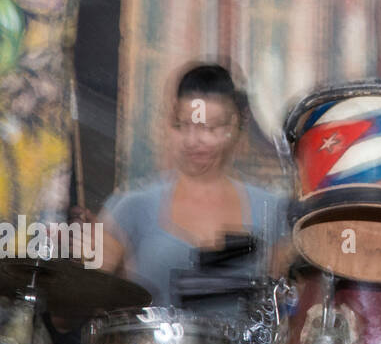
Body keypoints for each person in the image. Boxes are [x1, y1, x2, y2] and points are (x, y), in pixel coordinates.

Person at [92, 62, 291, 308]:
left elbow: (288, 306)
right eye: (183, 126)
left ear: (235, 127)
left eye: (209, 128)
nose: (194, 141)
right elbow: (72, 306)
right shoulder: (132, 206)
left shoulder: (270, 209)